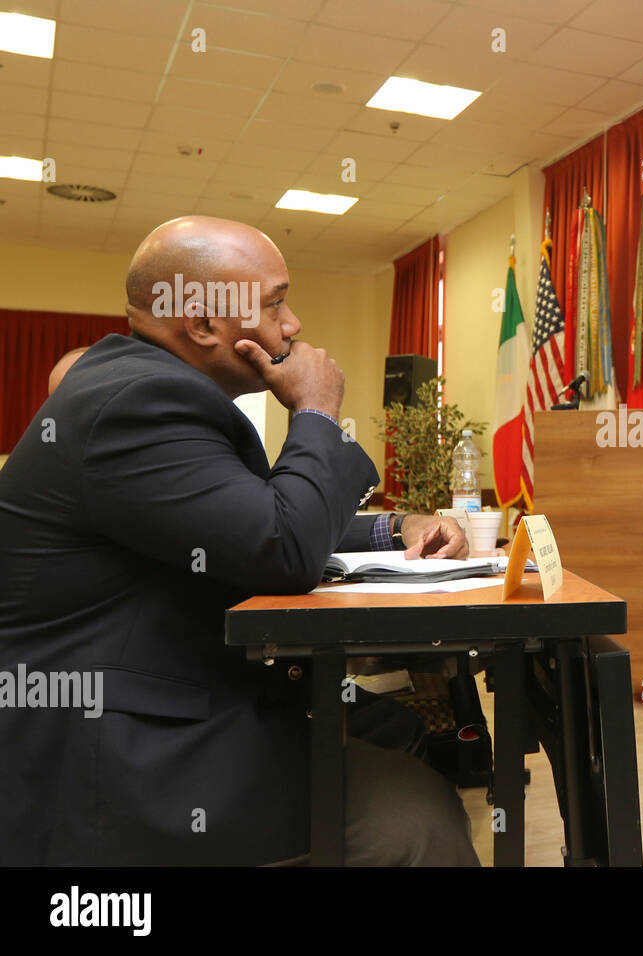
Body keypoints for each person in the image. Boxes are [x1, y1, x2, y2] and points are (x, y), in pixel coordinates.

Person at [0, 216, 478, 866]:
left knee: (392, 738)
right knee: (415, 813)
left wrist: (397, 526)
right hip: (119, 754)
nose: (293, 325)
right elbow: (280, 545)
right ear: (199, 324)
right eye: (276, 301)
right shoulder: (140, 402)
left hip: (160, 703)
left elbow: (247, 515)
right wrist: (314, 411)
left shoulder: (148, 389)